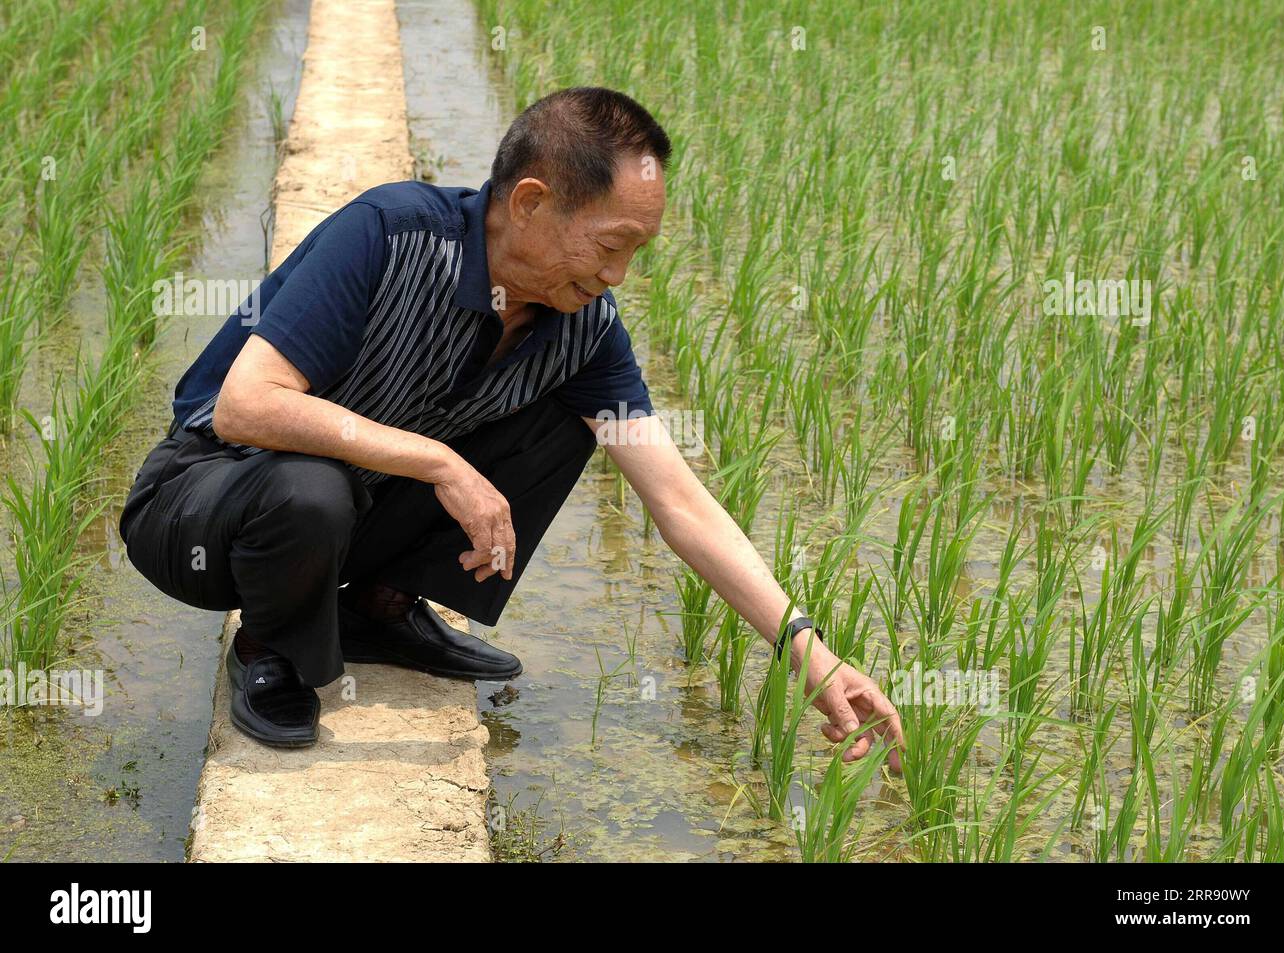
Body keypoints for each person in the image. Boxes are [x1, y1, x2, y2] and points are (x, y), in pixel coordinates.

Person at [119, 86, 903, 768]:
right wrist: (440, 463)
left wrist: (811, 654)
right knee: (309, 487)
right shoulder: (390, 234)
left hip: (349, 509)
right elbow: (245, 405)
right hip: (204, 500)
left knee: (569, 422)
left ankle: (377, 608)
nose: (616, 276)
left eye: (636, 253)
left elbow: (681, 501)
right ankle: (271, 646)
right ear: (529, 203)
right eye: (609, 246)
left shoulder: (583, 326)